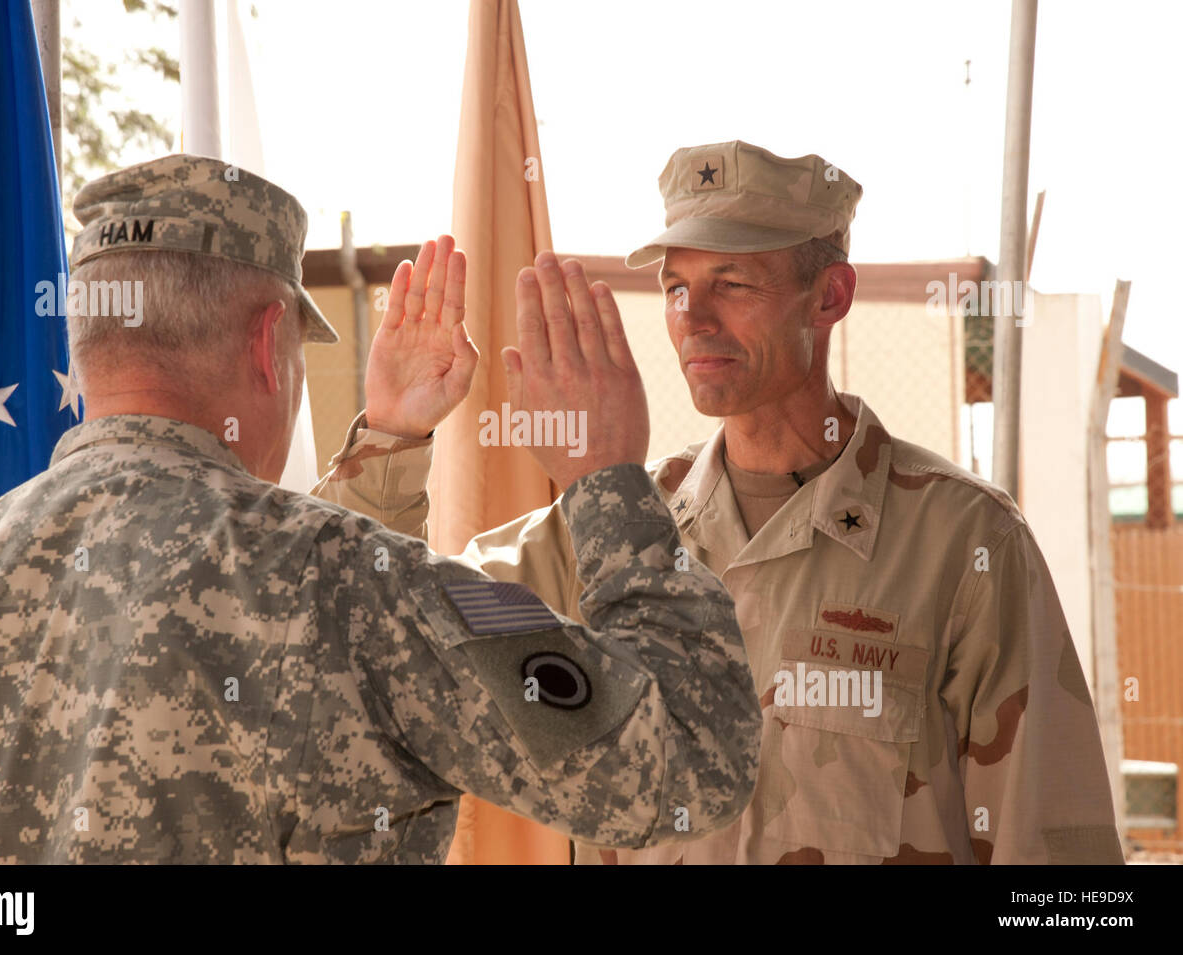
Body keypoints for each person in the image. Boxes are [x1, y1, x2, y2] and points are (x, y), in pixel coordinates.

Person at [0, 154, 763, 864]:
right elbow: (687, 756)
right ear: (271, 345)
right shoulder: (356, 586)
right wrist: (607, 480)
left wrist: (387, 443)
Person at [322, 140, 1125, 864]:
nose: (692, 319)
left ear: (829, 295)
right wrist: (393, 432)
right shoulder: (616, 526)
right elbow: (371, 624)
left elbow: (1055, 860)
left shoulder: (962, 544)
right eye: (676, 288)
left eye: (732, 283)